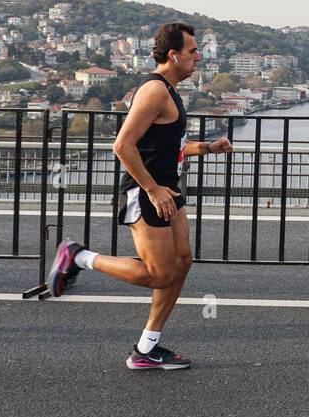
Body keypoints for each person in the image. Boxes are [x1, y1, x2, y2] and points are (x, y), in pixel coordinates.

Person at [44, 22, 232, 369]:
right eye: (192, 51)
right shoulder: (155, 90)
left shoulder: (171, 92)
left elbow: (164, 147)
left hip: (168, 190)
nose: (198, 57)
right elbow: (123, 145)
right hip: (147, 191)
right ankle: (78, 256)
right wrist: (152, 188)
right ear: (173, 55)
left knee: (181, 263)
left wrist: (205, 148)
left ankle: (147, 348)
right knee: (159, 274)